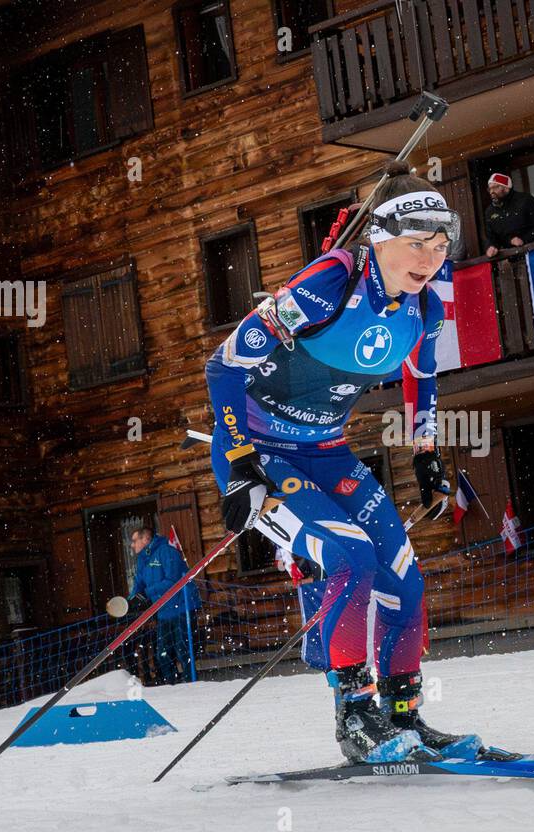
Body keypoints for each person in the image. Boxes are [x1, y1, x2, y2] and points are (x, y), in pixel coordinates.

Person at [205, 160, 490, 766]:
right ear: (380, 239)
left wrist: (426, 453)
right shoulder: (328, 283)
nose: (430, 259)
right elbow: (223, 365)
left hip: (327, 451)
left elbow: (422, 377)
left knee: (403, 578)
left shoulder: (424, 309)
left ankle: (402, 715)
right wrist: (240, 461)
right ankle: (355, 715)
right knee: (348, 557)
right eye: (417, 244)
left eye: (440, 246)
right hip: (261, 451)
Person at [127, 526, 198, 685]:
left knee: (184, 652)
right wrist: (129, 601)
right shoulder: (142, 559)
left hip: (182, 607)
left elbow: (173, 581)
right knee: (162, 655)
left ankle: (193, 686)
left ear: (146, 539)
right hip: (163, 611)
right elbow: (139, 584)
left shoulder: (167, 551)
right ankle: (172, 688)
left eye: (134, 540)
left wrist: (147, 593)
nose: (132, 545)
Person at [482, 172, 534, 257]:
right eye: (489, 189)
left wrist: (523, 240)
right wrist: (491, 246)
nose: (491, 192)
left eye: (495, 187)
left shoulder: (525, 200)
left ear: (506, 187)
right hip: (510, 259)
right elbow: (491, 237)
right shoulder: (490, 211)